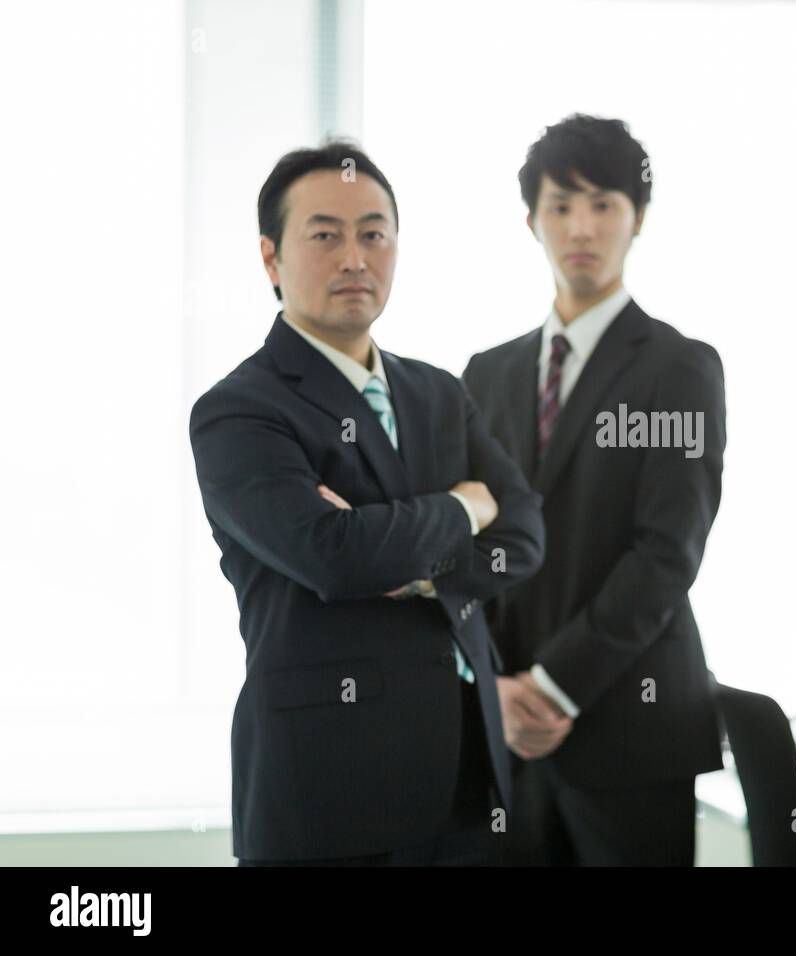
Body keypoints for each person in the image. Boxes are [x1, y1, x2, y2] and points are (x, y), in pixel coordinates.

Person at [189, 139, 544, 865]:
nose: (355, 258)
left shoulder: (438, 392)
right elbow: (335, 556)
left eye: (374, 234)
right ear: (270, 259)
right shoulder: (239, 411)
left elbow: (528, 536)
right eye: (325, 235)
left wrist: (407, 560)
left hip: (472, 777)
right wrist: (464, 509)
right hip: (329, 793)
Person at [461, 114, 725, 865]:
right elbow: (469, 547)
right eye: (561, 205)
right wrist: (497, 686)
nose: (582, 226)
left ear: (637, 219)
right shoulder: (486, 374)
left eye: (604, 203)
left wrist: (552, 686)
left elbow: (666, 553)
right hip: (506, 735)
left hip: (631, 736)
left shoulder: (681, 368)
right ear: (531, 220)